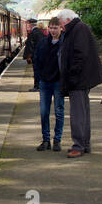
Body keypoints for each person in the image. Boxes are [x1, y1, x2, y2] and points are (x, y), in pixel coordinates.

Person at [58, 9, 102, 158]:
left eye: (60, 23)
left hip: (79, 80)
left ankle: (79, 145)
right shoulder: (79, 28)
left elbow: (80, 55)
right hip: (81, 79)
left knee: (77, 114)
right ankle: (84, 144)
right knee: (82, 112)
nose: (60, 27)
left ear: (67, 20)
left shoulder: (78, 29)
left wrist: (71, 77)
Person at [33, 16, 65, 151]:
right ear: (48, 28)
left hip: (58, 82)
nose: (53, 30)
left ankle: (57, 140)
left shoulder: (65, 43)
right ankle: (46, 140)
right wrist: (39, 78)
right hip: (45, 82)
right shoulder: (43, 43)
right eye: (51, 28)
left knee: (59, 111)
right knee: (44, 112)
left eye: (55, 28)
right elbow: (36, 60)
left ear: (61, 28)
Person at [23, 19, 45, 90]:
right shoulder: (39, 32)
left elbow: (31, 45)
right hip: (39, 55)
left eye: (28, 24)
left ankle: (37, 86)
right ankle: (38, 85)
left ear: (31, 24)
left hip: (36, 55)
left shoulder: (34, 32)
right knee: (37, 71)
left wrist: (29, 56)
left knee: (36, 71)